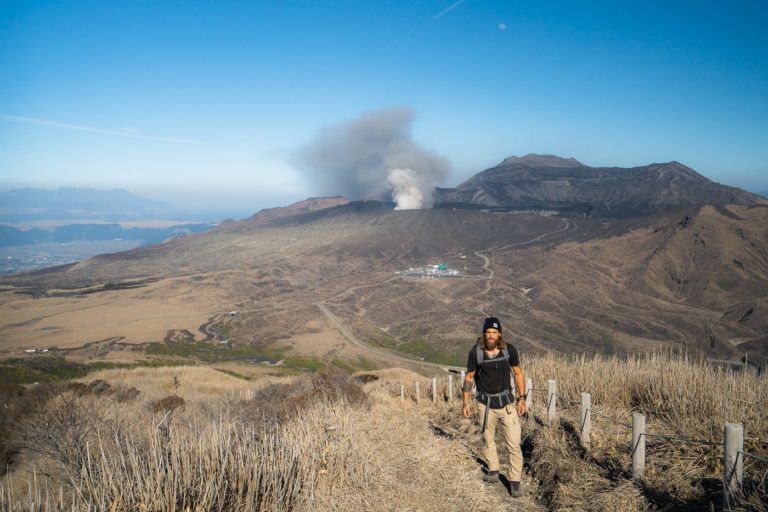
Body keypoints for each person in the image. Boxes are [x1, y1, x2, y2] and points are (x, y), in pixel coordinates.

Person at [462, 316, 527, 498]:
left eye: (494, 332)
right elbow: (469, 378)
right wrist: (465, 402)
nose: (491, 336)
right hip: (485, 405)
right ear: (484, 334)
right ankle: (493, 469)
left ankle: (515, 481)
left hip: (507, 405)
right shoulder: (476, 353)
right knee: (487, 438)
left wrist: (522, 398)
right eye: (488, 332)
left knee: (514, 443)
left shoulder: (509, 350)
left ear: (500, 334)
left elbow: (518, 374)